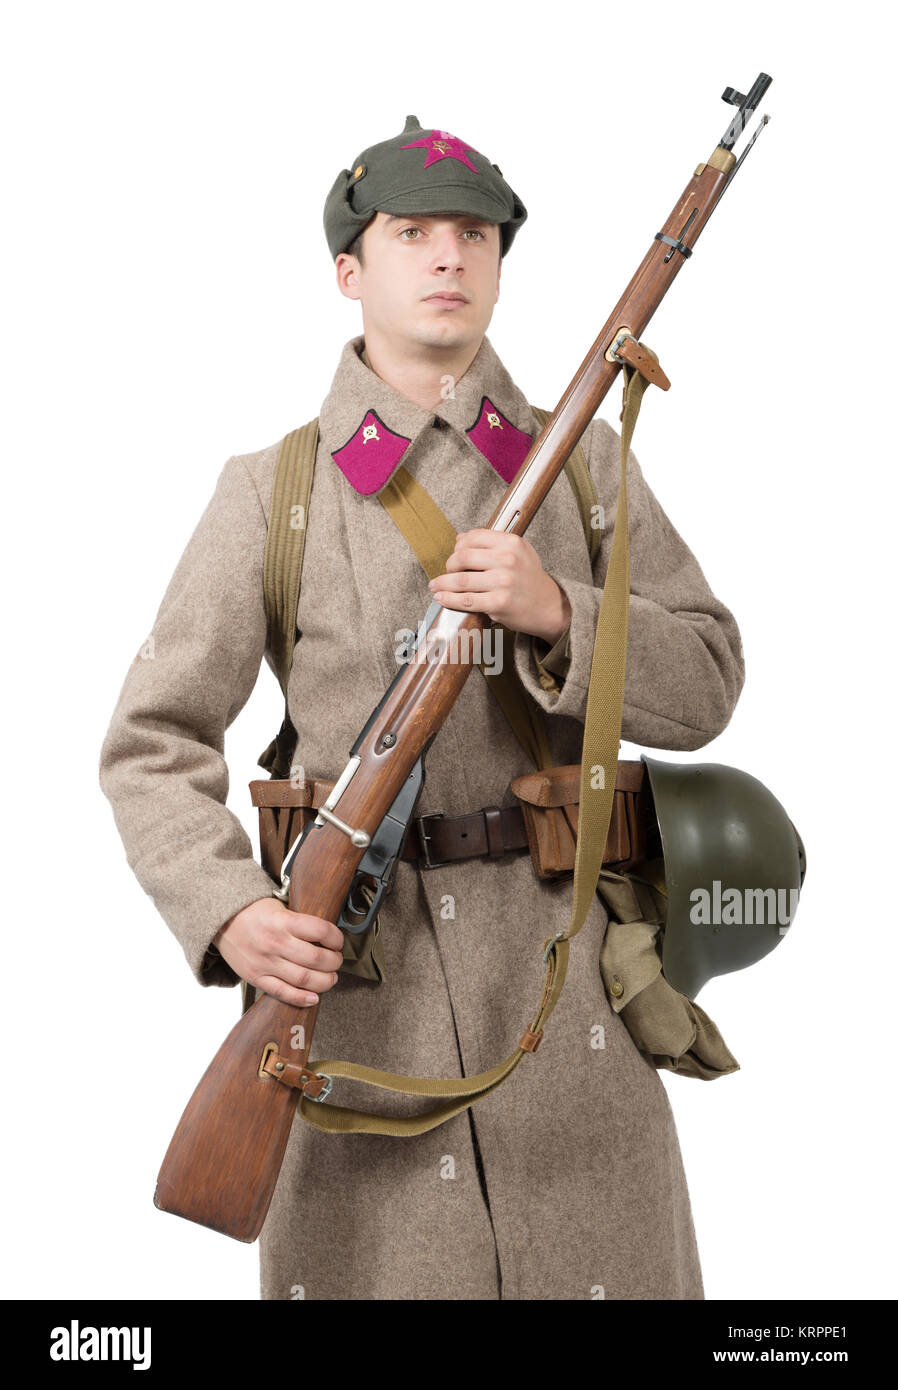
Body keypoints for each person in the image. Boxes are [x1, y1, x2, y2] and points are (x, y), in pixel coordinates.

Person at [99, 115, 745, 1300]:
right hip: (357, 1002)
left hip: (567, 1013)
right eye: (412, 233)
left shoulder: (586, 467)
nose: (448, 255)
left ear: (498, 264)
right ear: (351, 271)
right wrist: (230, 911)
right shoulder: (274, 493)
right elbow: (153, 741)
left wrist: (562, 611)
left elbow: (706, 679)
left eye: (473, 233)